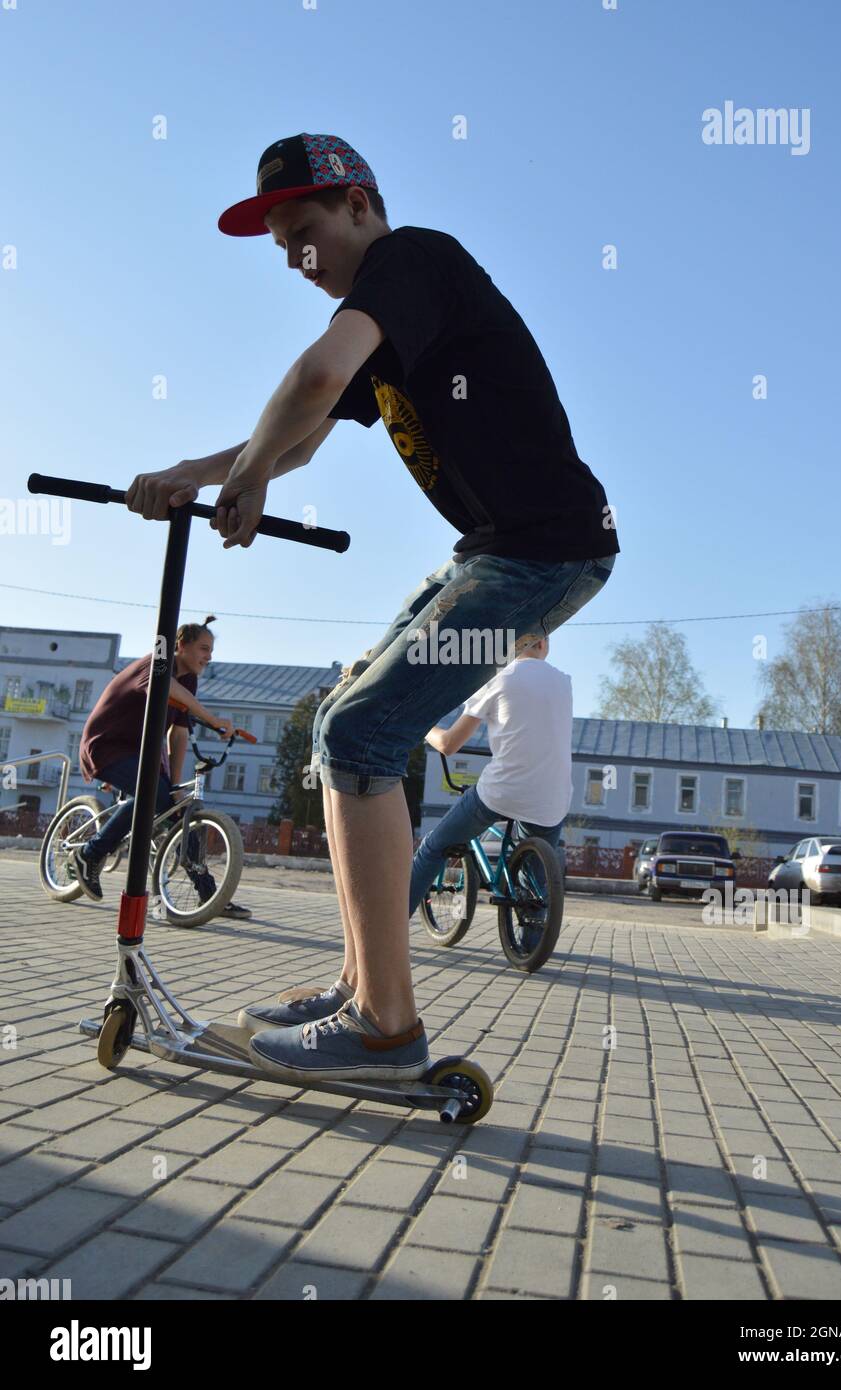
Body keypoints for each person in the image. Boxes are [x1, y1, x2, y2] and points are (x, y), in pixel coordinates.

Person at [125, 132, 617, 1084]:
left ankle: (387, 1030)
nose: (297, 264)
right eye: (280, 250)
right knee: (348, 721)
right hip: (494, 554)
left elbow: (313, 376)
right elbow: (305, 432)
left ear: (357, 205)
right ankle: (360, 988)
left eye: (304, 234)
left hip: (543, 554)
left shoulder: (409, 262)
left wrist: (251, 477)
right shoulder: (395, 322)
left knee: (355, 731)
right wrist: (195, 475)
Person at [72, 616, 252, 921]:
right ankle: (89, 854)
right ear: (180, 646)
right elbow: (167, 688)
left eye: (211, 650)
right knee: (152, 795)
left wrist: (174, 784)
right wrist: (212, 718)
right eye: (203, 648)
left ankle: (210, 895)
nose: (209, 656)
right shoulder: (156, 664)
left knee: (175, 809)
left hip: (142, 754)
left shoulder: (189, 680)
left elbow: (178, 733)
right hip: (106, 746)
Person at [409, 634, 572, 919]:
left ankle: (390, 928)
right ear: (543, 644)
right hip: (553, 799)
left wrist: (423, 728)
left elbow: (449, 744)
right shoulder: (564, 682)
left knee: (433, 848)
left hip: (502, 792)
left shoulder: (498, 677)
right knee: (531, 879)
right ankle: (531, 945)